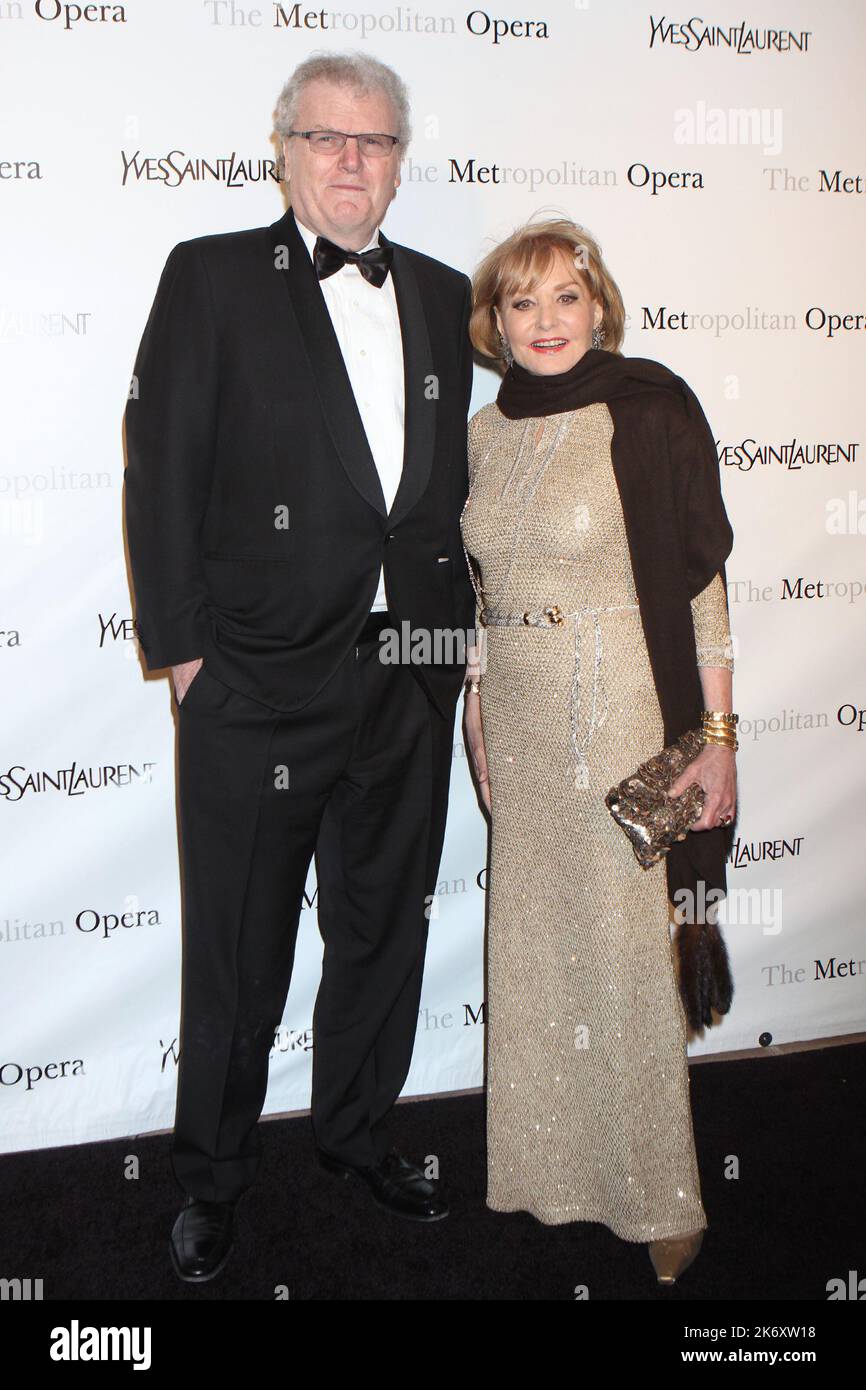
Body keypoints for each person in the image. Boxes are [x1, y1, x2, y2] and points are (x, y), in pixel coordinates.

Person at [123, 51, 475, 1283]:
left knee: (381, 927)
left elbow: (443, 499)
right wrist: (182, 656)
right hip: (256, 684)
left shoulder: (439, 295)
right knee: (239, 947)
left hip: (405, 673)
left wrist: (454, 655)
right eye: (325, 137)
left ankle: (357, 1134)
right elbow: (159, 467)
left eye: (373, 142)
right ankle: (212, 1178)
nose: (348, 160)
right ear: (281, 149)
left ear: (396, 161)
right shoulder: (214, 277)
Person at [460, 216, 737, 1285]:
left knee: (625, 958)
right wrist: (477, 703)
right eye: (519, 302)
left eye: (562, 298)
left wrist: (712, 744)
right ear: (494, 323)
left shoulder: (647, 407)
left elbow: (700, 585)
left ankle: (663, 1195)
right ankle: (550, 1170)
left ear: (598, 306)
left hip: (626, 710)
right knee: (535, 953)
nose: (543, 320)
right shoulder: (485, 432)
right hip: (521, 722)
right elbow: (481, 592)